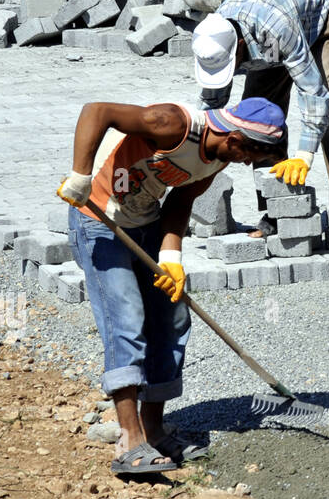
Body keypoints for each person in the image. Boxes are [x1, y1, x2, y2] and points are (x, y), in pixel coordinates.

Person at [56, 97, 287, 475]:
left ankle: (154, 430)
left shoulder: (218, 158)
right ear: (233, 137)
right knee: (125, 319)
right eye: (249, 154)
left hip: (146, 224)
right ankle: (129, 442)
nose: (247, 163)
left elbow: (181, 200)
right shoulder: (172, 124)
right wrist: (80, 175)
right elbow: (97, 111)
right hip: (100, 221)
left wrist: (172, 258)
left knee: (172, 317)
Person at [192, 0, 329, 234]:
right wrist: (196, 150)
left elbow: (313, 92)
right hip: (277, 26)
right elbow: (211, 105)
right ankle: (277, 211)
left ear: (238, 46)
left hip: (326, 13)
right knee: (255, 123)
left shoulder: (274, 28)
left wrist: (304, 157)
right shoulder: (214, 36)